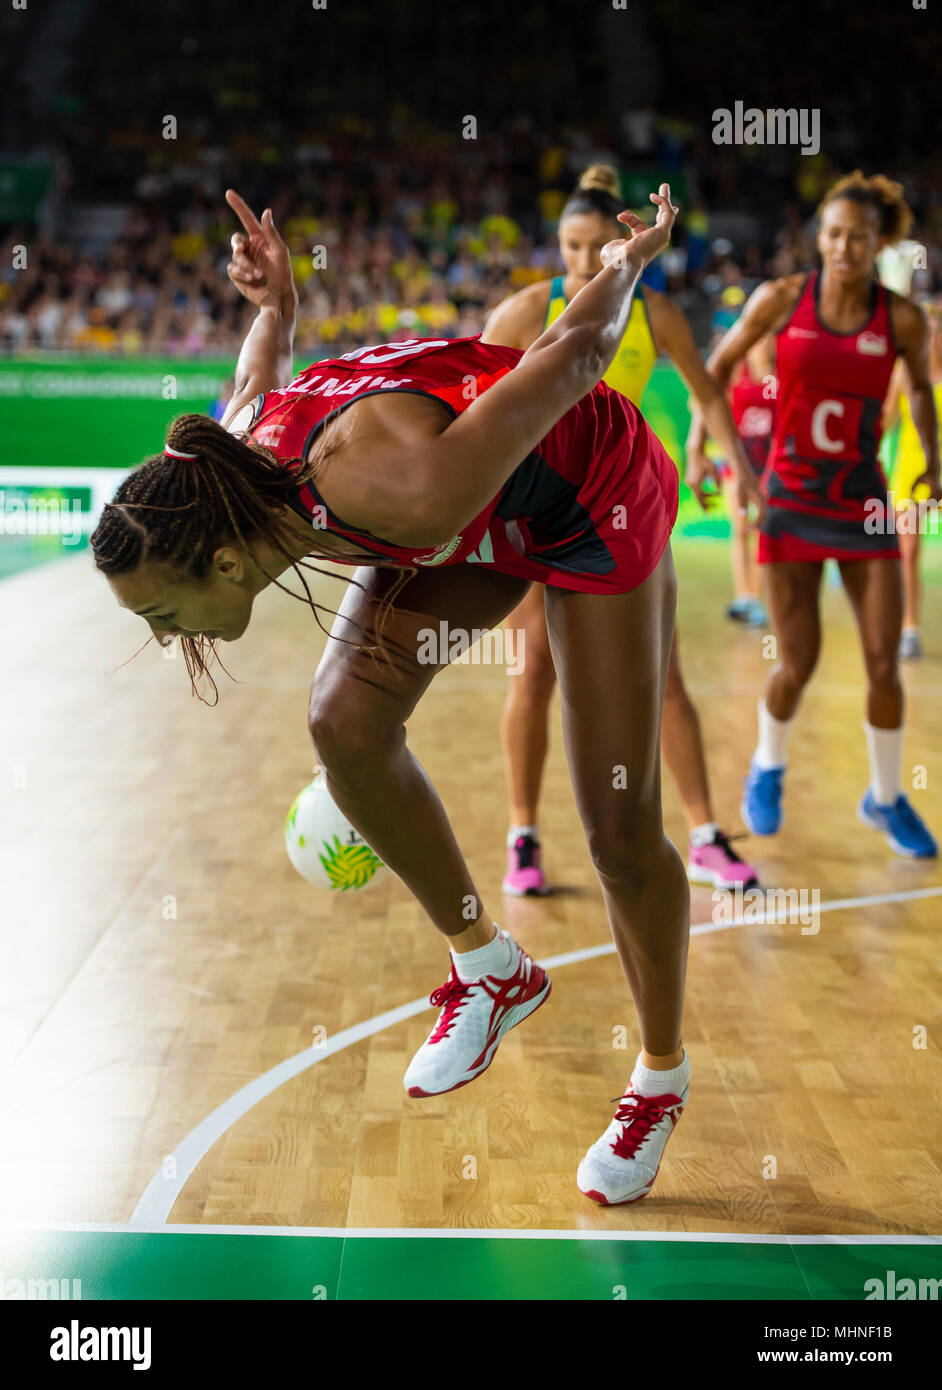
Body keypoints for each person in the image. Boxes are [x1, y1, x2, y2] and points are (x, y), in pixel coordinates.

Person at [92, 185, 691, 1205]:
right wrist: (276, 303)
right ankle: (490, 966)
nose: (162, 637)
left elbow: (576, 356)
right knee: (343, 722)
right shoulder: (229, 462)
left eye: (164, 610)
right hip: (482, 500)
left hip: (587, 483)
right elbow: (257, 369)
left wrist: (622, 271)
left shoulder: (391, 484)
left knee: (617, 826)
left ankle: (660, 1078)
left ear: (231, 568)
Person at [482, 165, 764, 897]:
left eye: (595, 246)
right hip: (536, 514)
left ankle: (704, 836)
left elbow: (710, 397)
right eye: (570, 247)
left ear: (623, 242)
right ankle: (523, 838)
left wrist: (740, 471)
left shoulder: (656, 314)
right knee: (533, 676)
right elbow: (472, 411)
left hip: (622, 515)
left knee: (665, 680)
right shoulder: (522, 311)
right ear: (558, 247)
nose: (582, 261)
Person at [690, 172, 940, 858]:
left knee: (884, 662)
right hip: (790, 503)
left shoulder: (902, 319)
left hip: (863, 503)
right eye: (832, 234)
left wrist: (934, 462)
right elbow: (717, 365)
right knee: (797, 662)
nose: (843, 247)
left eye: (858, 237)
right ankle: (768, 765)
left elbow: (920, 388)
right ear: (818, 238)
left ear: (880, 242)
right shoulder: (781, 297)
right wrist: (694, 442)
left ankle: (885, 799)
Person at [688, 332, 776, 628]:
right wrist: (705, 439)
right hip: (738, 463)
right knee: (739, 527)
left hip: (771, 465)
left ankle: (757, 596)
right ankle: (744, 597)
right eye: (761, 337)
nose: (765, 342)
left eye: (769, 337)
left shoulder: (781, 373)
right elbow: (701, 400)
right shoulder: (737, 368)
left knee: (764, 529)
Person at [880, 297, 942, 659]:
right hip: (910, 474)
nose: (932, 339)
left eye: (937, 332)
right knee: (908, 552)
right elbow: (886, 420)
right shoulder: (905, 374)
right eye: (928, 332)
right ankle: (909, 628)